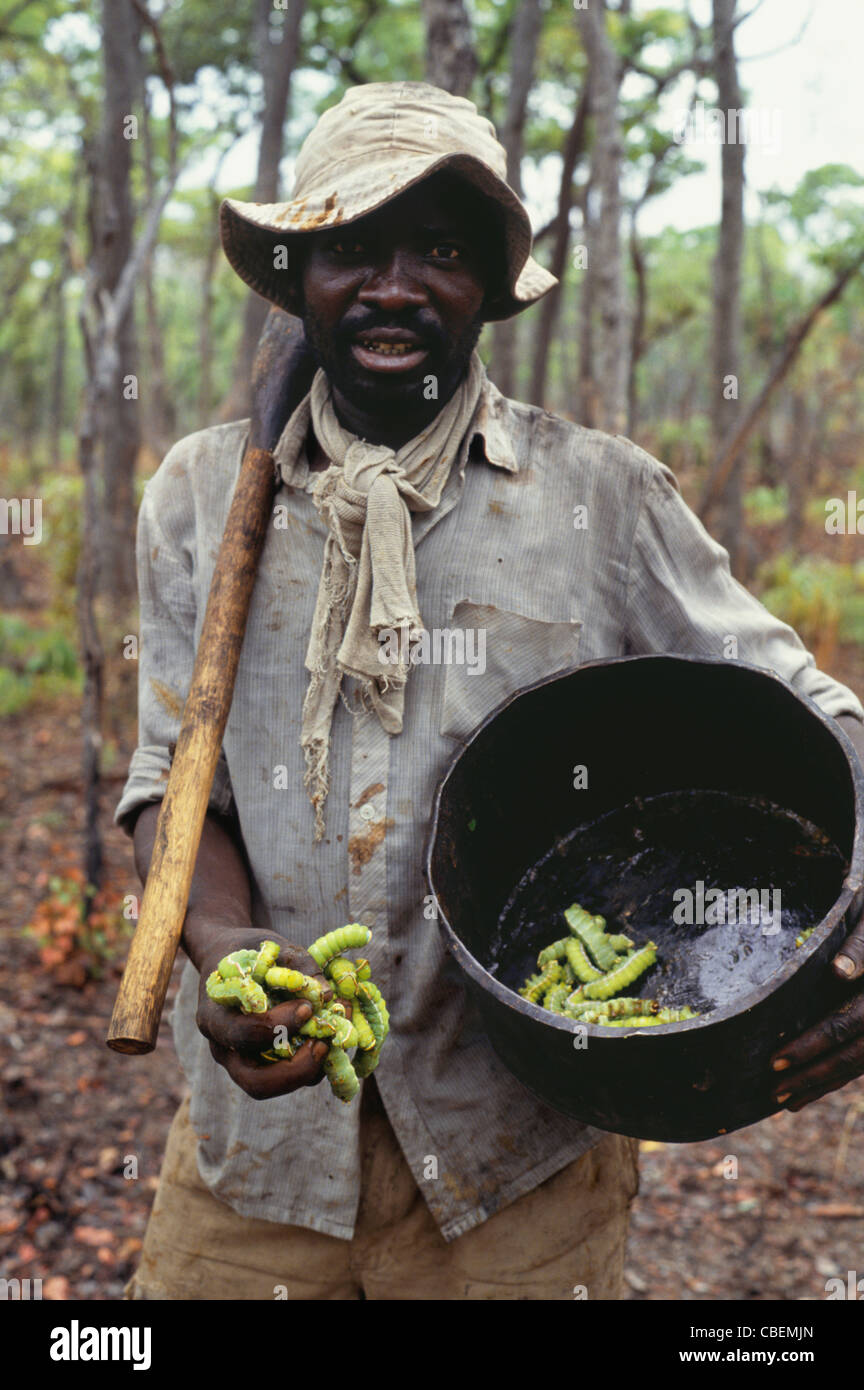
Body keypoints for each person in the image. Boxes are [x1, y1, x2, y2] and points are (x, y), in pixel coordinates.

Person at [117, 81, 864, 1301]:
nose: (395, 285)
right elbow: (171, 779)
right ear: (298, 272)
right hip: (254, 1171)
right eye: (352, 247)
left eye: (443, 250)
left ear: (489, 287)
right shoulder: (202, 500)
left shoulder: (600, 496)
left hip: (517, 1165)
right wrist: (216, 944)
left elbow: (807, 705)